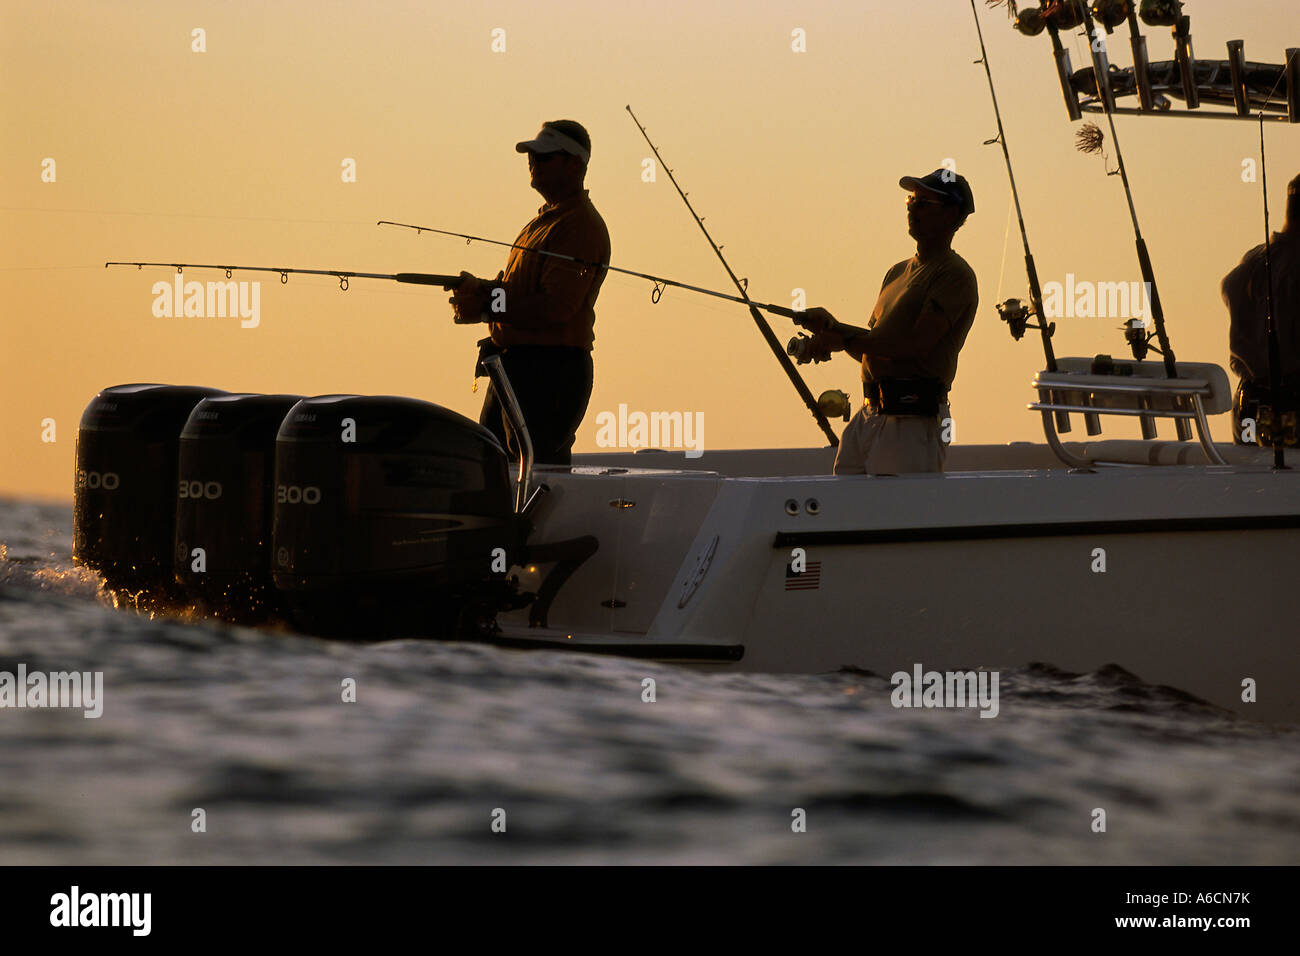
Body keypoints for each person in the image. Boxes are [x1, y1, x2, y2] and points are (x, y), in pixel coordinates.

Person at [450, 120, 611, 465]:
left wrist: (486, 304)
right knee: (494, 468)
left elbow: (554, 307)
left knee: (535, 472)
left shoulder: (578, 226)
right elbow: (525, 294)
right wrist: (482, 292)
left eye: (544, 156)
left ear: (575, 164)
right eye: (532, 156)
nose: (533, 162)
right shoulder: (545, 222)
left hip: (549, 373)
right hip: (514, 367)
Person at [795, 169, 978, 475]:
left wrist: (843, 338)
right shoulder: (897, 272)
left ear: (952, 214)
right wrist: (834, 329)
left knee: (896, 516)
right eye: (911, 200)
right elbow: (874, 347)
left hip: (913, 421)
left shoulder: (954, 275)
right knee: (847, 513)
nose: (912, 208)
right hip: (869, 417)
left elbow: (914, 346)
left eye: (923, 203)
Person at [1220, 172, 1300, 446]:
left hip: (1248, 409)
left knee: (1257, 483)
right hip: (1292, 414)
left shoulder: (1252, 260)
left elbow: (1228, 287)